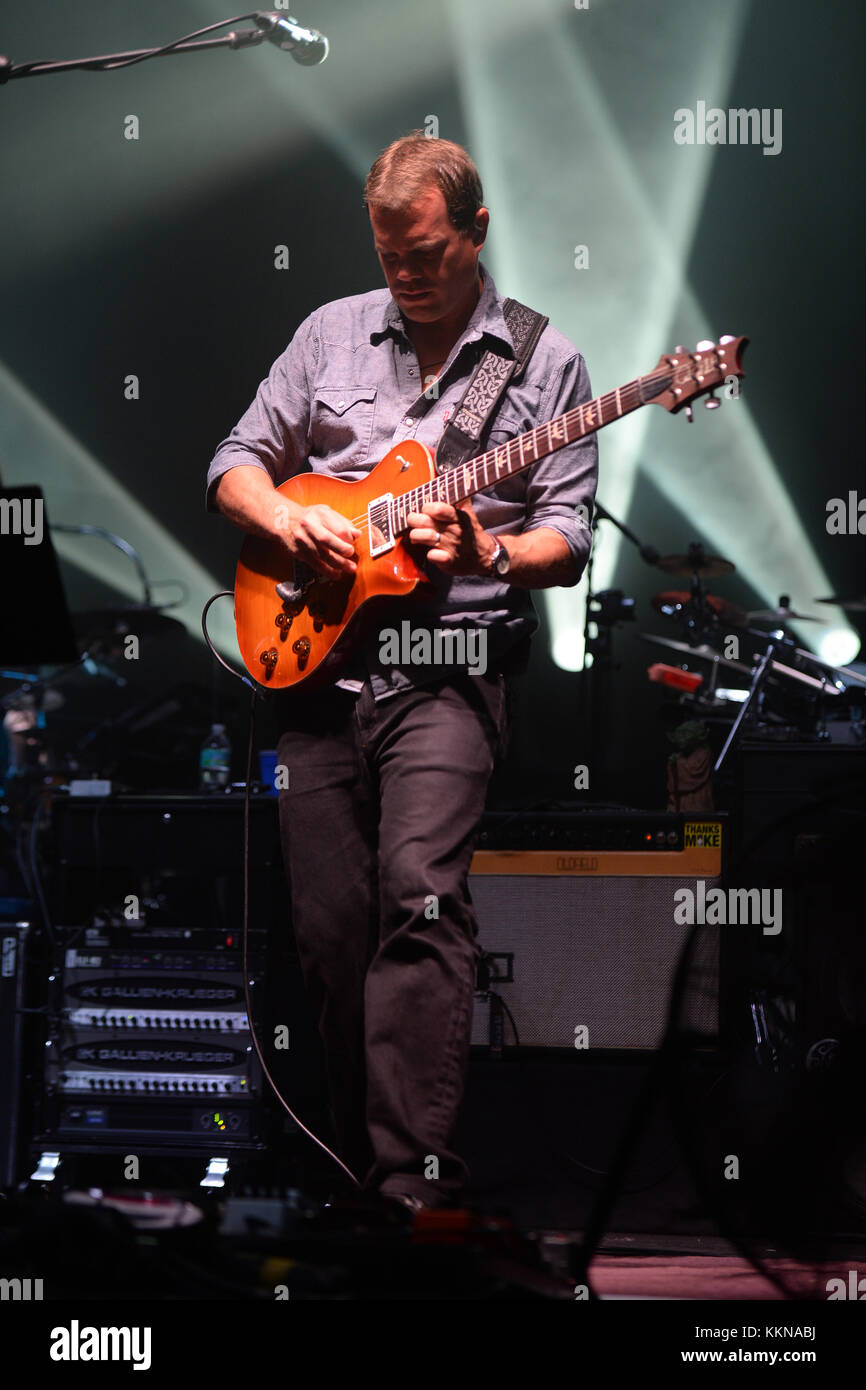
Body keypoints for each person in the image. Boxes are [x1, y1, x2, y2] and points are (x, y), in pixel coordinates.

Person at [206, 132, 598, 1212]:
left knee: (419, 901)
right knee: (331, 939)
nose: (405, 273)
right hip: (314, 671)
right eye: (387, 253)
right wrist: (287, 516)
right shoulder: (328, 332)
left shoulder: (543, 362)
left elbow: (565, 538)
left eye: (424, 251)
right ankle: (349, 1182)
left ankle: (411, 1188)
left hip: (450, 672)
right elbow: (233, 463)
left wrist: (492, 551)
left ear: (474, 232)